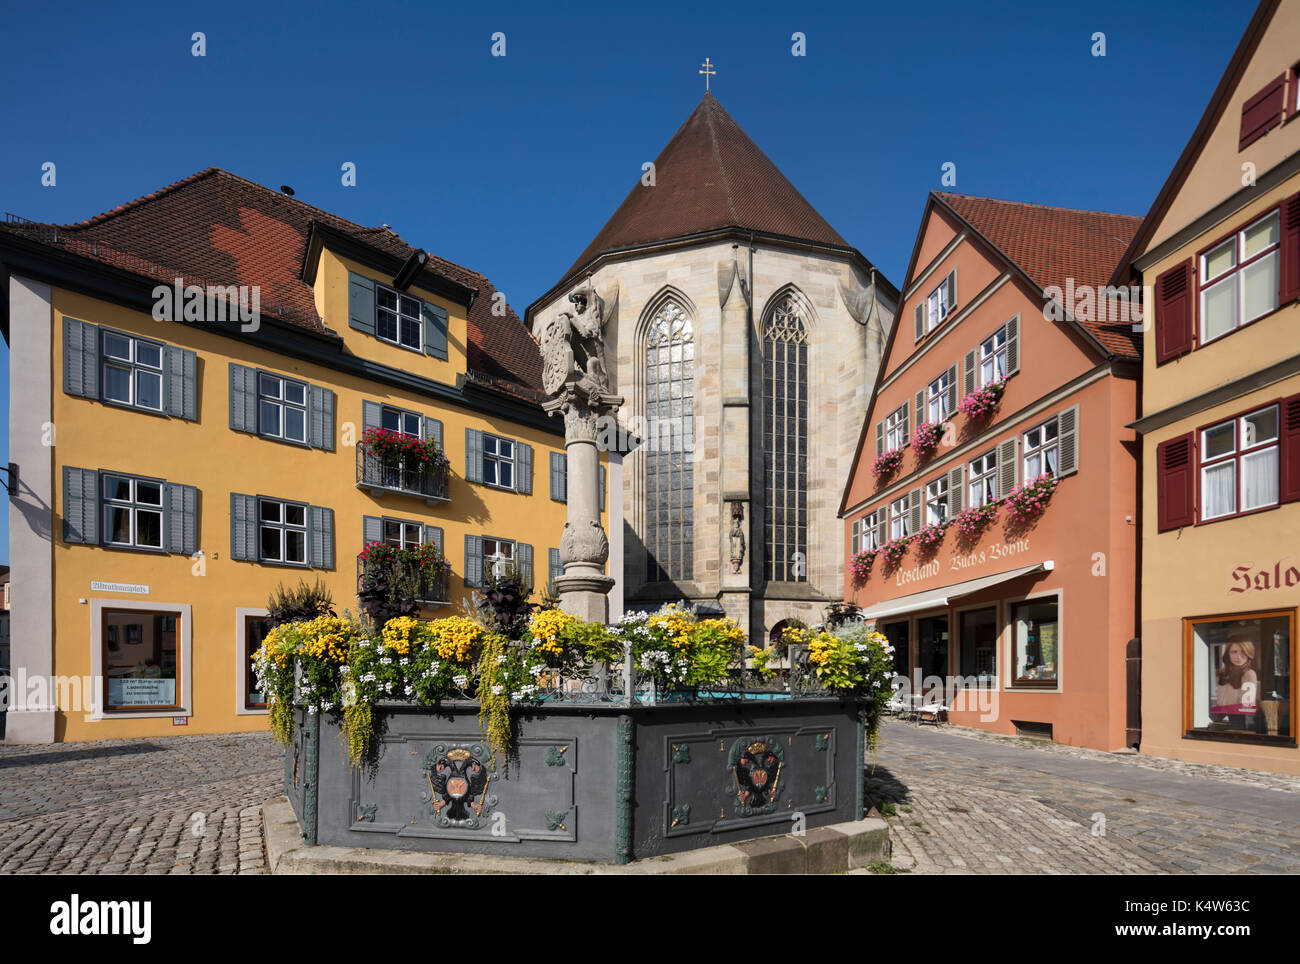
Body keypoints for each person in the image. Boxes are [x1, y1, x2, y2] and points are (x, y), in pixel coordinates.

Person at [1211, 634, 1258, 727]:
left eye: (1243, 652)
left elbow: (1246, 705)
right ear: (1228, 653)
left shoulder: (1249, 674)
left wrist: (1217, 710)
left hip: (1239, 722)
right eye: (1234, 652)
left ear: (1249, 653)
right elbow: (1221, 702)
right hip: (1221, 720)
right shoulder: (1224, 673)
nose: (1239, 657)